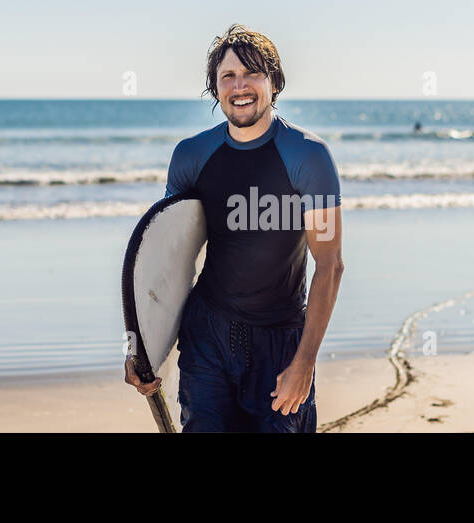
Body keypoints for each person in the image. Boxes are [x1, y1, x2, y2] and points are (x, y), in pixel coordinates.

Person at [124, 24, 345, 433]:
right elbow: (169, 262)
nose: (239, 86)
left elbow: (329, 266)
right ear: (215, 88)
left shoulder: (308, 157)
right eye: (228, 76)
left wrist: (304, 364)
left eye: (252, 73)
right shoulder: (191, 156)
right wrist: (143, 349)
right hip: (208, 333)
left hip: (280, 339)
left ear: (274, 82)